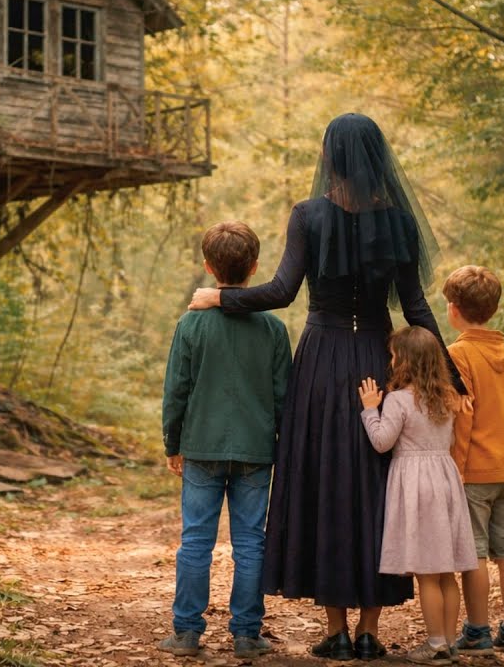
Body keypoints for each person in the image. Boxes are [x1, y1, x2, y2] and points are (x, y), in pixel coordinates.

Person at [188, 113, 466, 661]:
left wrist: (221, 297)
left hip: (321, 363)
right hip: (378, 360)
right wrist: (452, 377)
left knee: (325, 483)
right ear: (378, 157)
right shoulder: (400, 223)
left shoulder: (309, 215)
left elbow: (283, 290)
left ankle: (335, 630)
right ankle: (369, 631)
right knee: (375, 486)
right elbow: (414, 306)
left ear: (330, 158)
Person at [159, 221, 292, 660]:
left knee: (196, 540)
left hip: (201, 446)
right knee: (251, 541)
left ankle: (185, 633)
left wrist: (172, 442)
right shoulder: (272, 329)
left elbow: (177, 387)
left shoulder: (191, 324)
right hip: (256, 450)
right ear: (255, 268)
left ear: (207, 266)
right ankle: (247, 634)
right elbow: (282, 396)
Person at [358, 326, 478, 666]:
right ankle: (450, 642)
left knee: (428, 572)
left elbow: (381, 442)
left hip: (416, 485)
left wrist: (369, 409)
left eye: (395, 355)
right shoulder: (447, 396)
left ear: (406, 361)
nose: (391, 361)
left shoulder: (398, 400)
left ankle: (436, 642)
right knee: (447, 572)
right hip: (444, 480)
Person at [442, 265, 504, 656]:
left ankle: (477, 631)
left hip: (474, 470)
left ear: (454, 310)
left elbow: (462, 417)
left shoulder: (458, 355)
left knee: (474, 553)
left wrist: (454, 470)